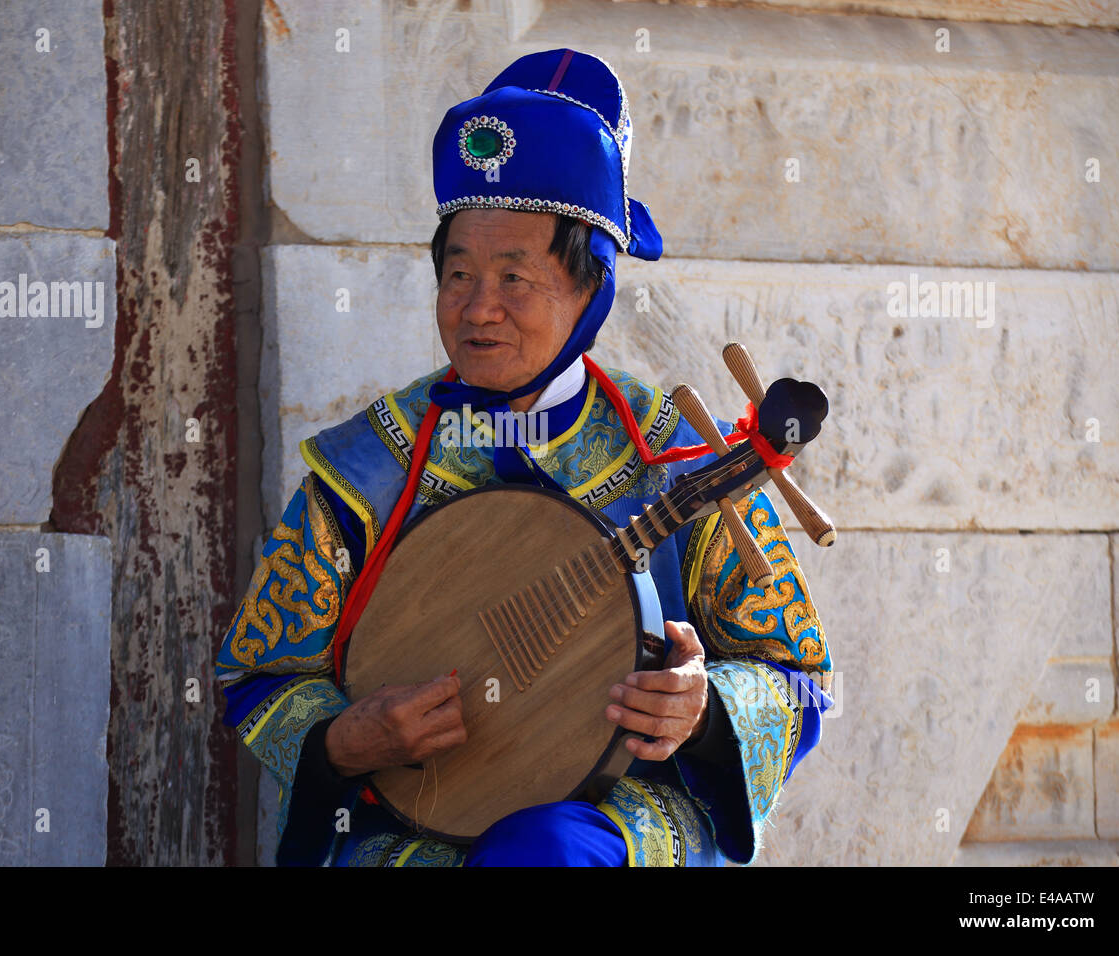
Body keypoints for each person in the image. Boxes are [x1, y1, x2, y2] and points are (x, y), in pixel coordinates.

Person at [215, 49, 833, 866]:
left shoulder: (680, 457)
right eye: (459, 274)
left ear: (589, 293)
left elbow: (797, 676)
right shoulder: (368, 467)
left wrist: (704, 707)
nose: (478, 310)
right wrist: (343, 739)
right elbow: (258, 677)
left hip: (619, 822)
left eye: (516, 278)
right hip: (415, 825)